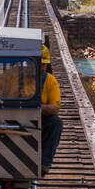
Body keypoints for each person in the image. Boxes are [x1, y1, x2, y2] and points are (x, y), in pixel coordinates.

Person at [40, 44, 62, 174]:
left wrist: (37, 108)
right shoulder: (14, 76)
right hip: (14, 117)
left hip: (39, 119)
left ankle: (44, 162)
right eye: (39, 64)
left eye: (44, 64)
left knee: (55, 122)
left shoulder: (50, 81)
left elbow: (55, 108)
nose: (42, 68)